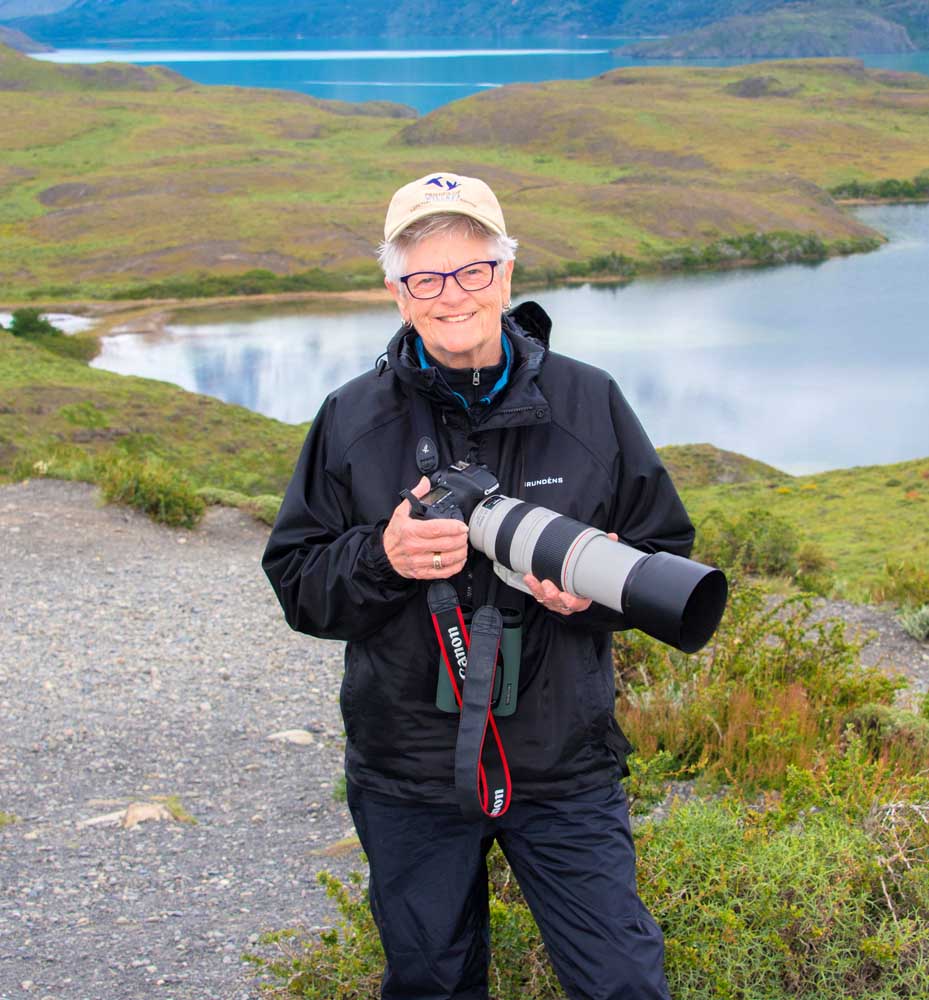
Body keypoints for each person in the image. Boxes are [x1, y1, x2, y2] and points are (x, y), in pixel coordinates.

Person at [263, 171, 695, 1000]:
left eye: (471, 270)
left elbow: (661, 547)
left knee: (622, 982)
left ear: (505, 275)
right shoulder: (352, 419)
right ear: (396, 293)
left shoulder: (587, 400)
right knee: (432, 981)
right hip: (408, 769)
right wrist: (382, 556)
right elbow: (297, 582)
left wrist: (596, 586)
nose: (450, 293)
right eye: (424, 277)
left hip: (561, 759)